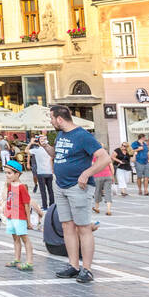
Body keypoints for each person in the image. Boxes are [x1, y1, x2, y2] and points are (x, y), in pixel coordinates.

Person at [50, 105, 111, 284]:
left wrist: (86, 173)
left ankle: (87, 269)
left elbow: (104, 157)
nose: (51, 121)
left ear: (59, 119)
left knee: (83, 227)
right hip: (60, 186)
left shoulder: (83, 135)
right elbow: (59, 155)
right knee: (67, 226)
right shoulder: (61, 135)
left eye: (51, 118)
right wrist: (46, 147)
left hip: (78, 187)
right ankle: (74, 265)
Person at [4, 159, 40, 272]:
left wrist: (28, 221)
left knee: (25, 238)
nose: (7, 175)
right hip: (11, 215)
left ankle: (29, 262)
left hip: (20, 216)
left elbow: (26, 205)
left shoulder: (21, 187)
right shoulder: (10, 185)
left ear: (17, 174)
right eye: (5, 172)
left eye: (9, 173)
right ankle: (17, 259)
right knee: (15, 237)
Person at [30, 134, 54, 209]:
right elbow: (51, 160)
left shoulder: (37, 150)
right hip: (49, 172)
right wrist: (52, 170)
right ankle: (52, 205)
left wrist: (31, 143)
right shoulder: (50, 149)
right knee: (50, 190)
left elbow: (26, 150)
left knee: (43, 191)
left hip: (41, 172)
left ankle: (45, 206)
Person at [91, 149, 115, 216]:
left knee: (97, 191)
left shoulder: (95, 157)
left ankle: (96, 207)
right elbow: (112, 167)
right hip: (108, 175)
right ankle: (108, 210)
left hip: (98, 176)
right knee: (108, 192)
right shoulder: (107, 157)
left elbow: (93, 167)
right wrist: (112, 176)